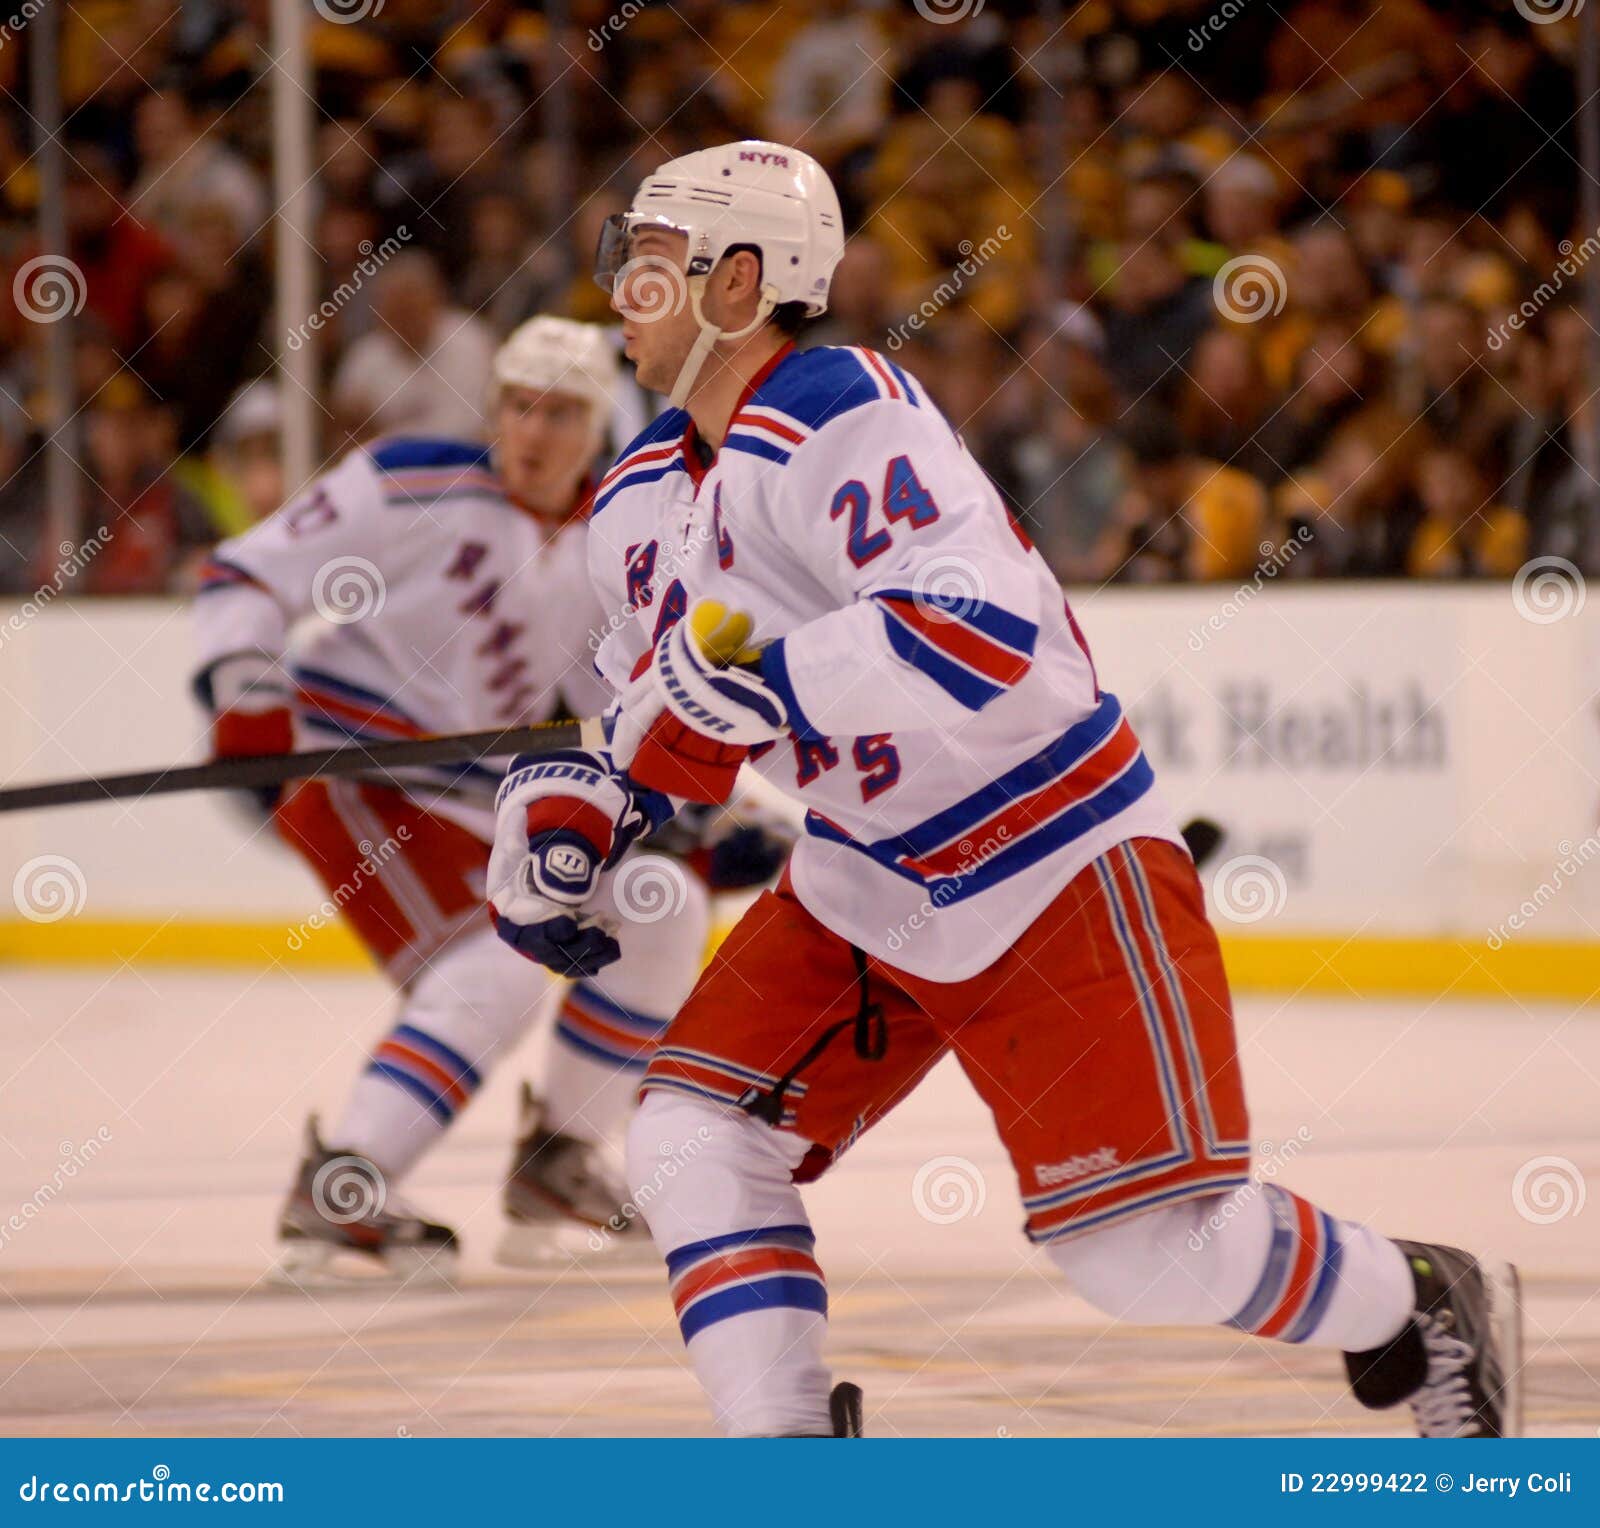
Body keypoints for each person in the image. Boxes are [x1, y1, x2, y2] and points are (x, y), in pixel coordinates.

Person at [486, 142, 1521, 1438]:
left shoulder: (841, 408)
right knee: (688, 1130)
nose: (619, 290)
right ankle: (784, 1448)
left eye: (650, 262)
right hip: (868, 875)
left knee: (1143, 1258)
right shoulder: (637, 497)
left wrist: (766, 686)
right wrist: (578, 807)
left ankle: (1412, 1297)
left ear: (739, 281)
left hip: (1046, 850)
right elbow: (657, 713)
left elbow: (976, 626)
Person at [192, 318, 717, 1283]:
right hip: (356, 769)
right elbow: (245, 571)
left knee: (663, 906)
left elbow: (624, 703)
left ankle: (559, 1161)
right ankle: (343, 1188)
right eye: (518, 405)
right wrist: (247, 690)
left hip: (482, 800)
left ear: (597, 426)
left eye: (560, 412)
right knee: (496, 967)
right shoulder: (410, 480)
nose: (534, 430)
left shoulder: (617, 540)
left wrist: (704, 810)